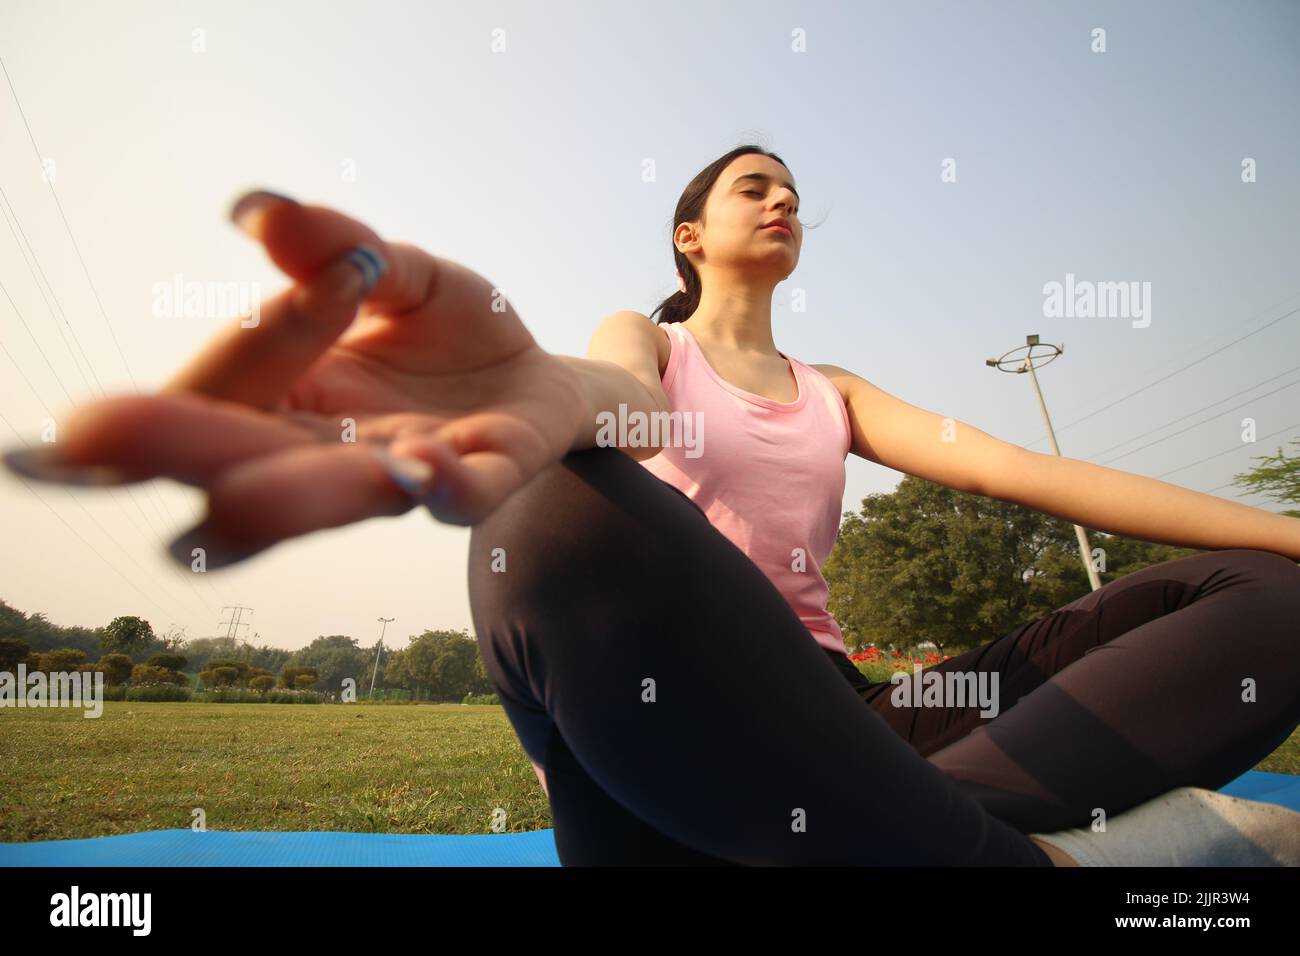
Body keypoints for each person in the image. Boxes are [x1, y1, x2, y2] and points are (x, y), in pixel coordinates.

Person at [5, 147, 1300, 866]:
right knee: (554, 509)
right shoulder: (650, 339)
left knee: (1264, 592)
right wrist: (548, 399)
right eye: (753, 184)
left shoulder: (835, 389)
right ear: (690, 236)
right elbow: (612, 400)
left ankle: (920, 846)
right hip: (701, 733)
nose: (784, 198)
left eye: (794, 188)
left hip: (876, 732)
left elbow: (1042, 475)